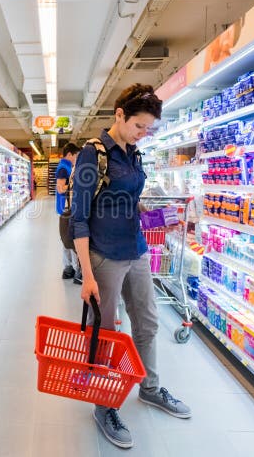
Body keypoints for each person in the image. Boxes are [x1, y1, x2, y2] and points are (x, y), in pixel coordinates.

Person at [71, 84, 191, 449]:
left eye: (148, 129)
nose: (143, 133)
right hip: (104, 255)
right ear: (119, 115)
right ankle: (104, 406)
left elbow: (129, 201)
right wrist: (87, 275)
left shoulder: (133, 154)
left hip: (137, 249)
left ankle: (150, 388)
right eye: (139, 126)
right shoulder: (94, 155)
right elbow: (79, 217)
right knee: (105, 331)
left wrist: (156, 217)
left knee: (148, 321)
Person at [56, 143, 81, 283]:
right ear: (70, 154)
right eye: (76, 156)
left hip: (66, 208)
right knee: (69, 239)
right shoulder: (64, 167)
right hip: (66, 208)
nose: (76, 159)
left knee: (67, 239)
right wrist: (75, 184)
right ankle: (73, 269)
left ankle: (69, 269)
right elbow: (60, 189)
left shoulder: (67, 167)